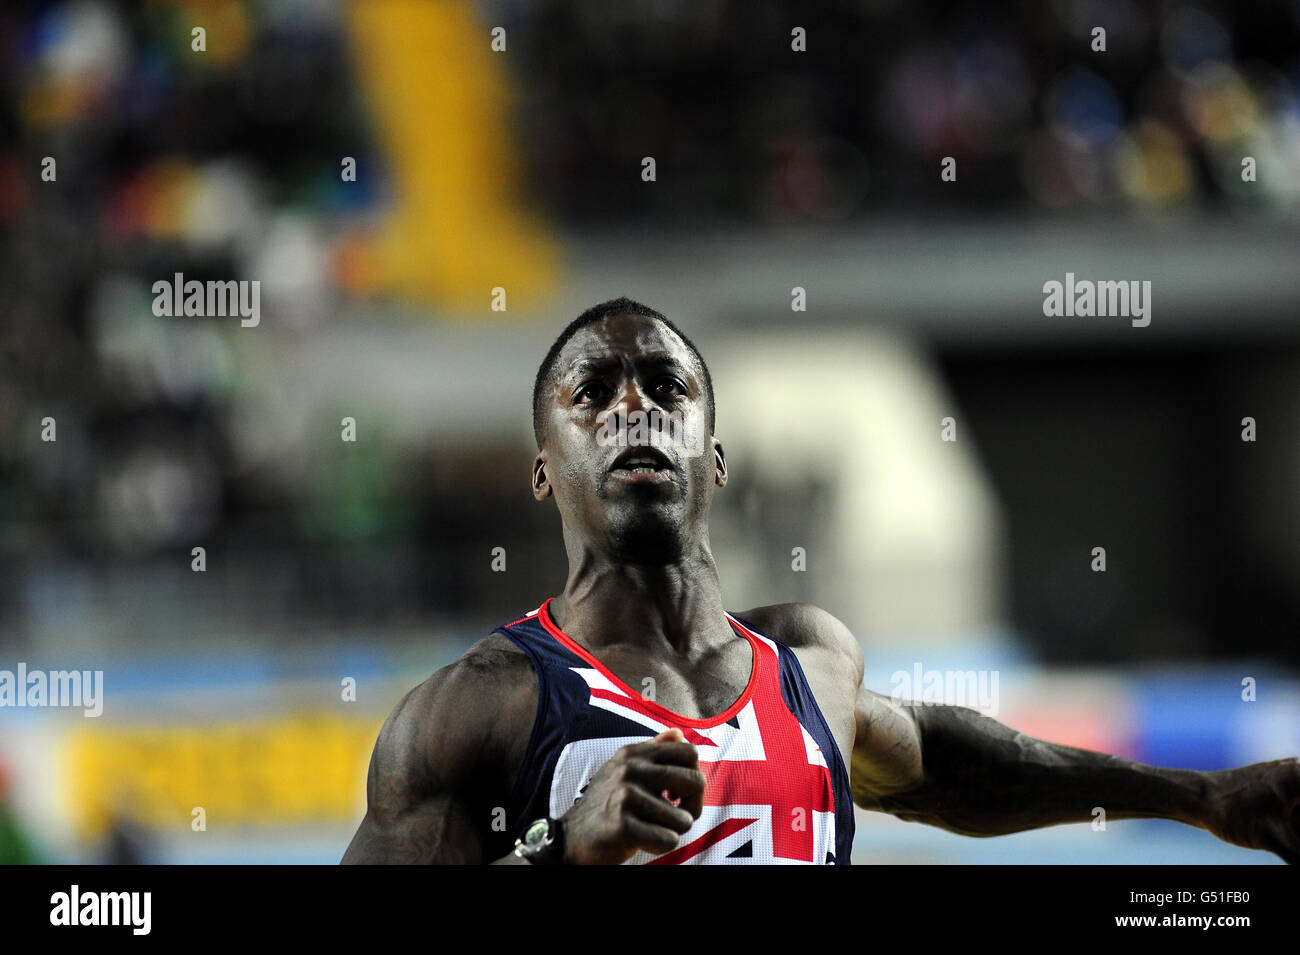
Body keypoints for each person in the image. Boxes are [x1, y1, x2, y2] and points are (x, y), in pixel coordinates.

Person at [342, 297, 1299, 865]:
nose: (634, 407)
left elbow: (946, 766)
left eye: (667, 388)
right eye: (591, 393)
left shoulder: (811, 659)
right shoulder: (475, 709)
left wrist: (1198, 798)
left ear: (713, 458)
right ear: (543, 467)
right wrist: (557, 851)